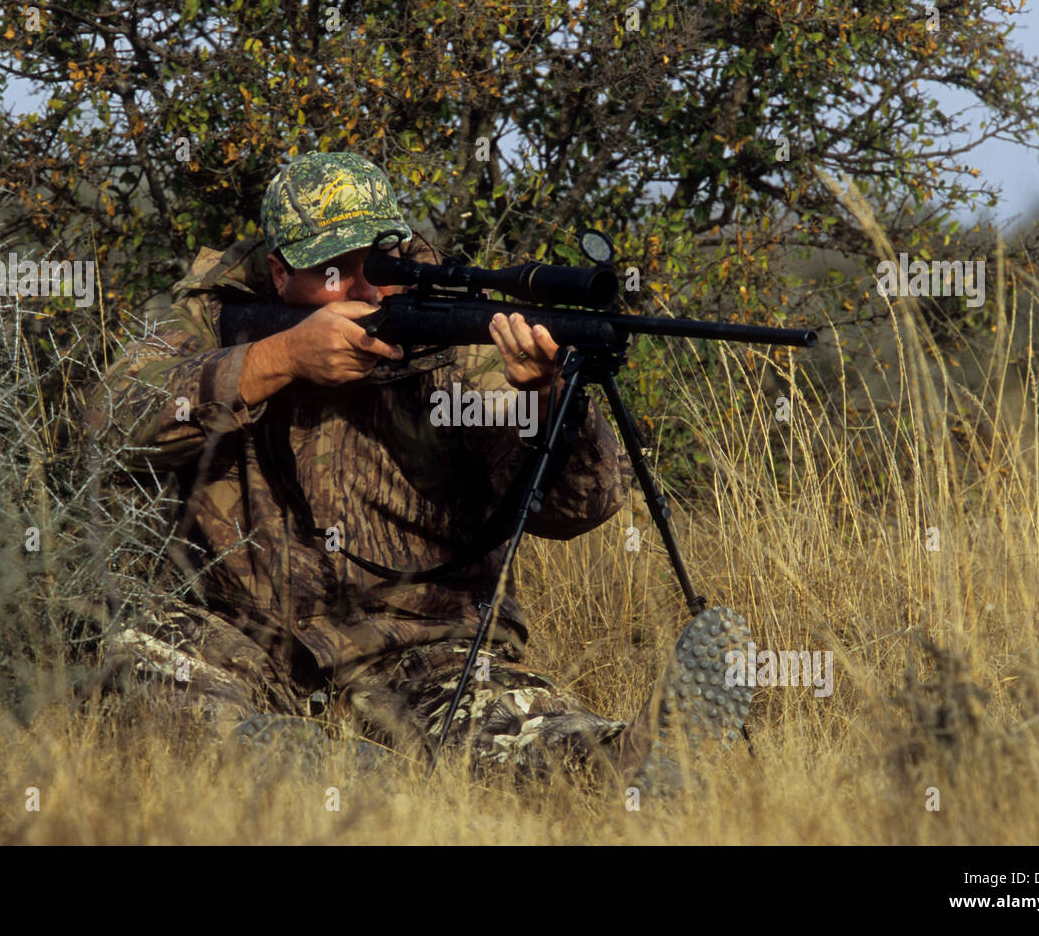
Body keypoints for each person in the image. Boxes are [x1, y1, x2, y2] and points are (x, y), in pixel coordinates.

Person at [86, 151, 753, 793]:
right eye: (334, 272)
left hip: (425, 652)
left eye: (381, 261)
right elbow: (108, 425)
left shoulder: (461, 339)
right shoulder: (210, 316)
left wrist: (547, 397)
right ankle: (291, 765)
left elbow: (579, 509)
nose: (366, 288)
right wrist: (281, 359)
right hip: (245, 640)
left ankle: (637, 760)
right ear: (279, 273)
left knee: (514, 733)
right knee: (141, 660)